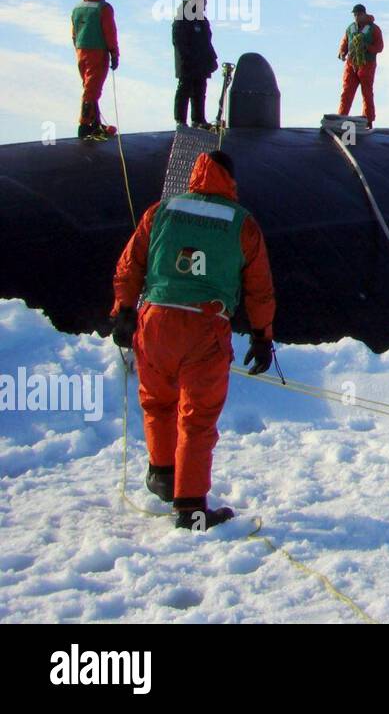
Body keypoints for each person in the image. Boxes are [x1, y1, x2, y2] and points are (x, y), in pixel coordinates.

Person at [109, 150, 276, 530]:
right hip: (204, 327)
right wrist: (262, 336)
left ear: (196, 175)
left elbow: (130, 264)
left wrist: (122, 311)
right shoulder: (241, 223)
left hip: (155, 321)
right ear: (229, 180)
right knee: (197, 418)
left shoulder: (161, 211)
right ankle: (191, 509)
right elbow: (259, 289)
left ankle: (163, 474)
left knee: (157, 403)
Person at [70, 0, 119, 140]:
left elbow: (73, 33)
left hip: (80, 51)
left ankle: (95, 122)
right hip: (97, 52)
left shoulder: (77, 8)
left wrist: (78, 48)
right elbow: (110, 33)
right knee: (92, 90)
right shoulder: (104, 8)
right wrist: (114, 54)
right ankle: (84, 125)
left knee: (89, 86)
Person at [173, 0, 219, 130]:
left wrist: (212, 59)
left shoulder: (202, 20)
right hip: (187, 63)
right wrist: (186, 60)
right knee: (184, 90)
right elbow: (178, 42)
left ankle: (198, 119)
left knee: (200, 91)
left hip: (201, 64)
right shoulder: (182, 19)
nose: (205, 4)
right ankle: (180, 120)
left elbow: (207, 42)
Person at [337, 4, 384, 125]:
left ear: (364, 14)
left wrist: (367, 47)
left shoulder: (374, 29)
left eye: (358, 14)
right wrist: (342, 52)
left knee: (367, 92)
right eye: (355, 15)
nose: (356, 17)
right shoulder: (351, 28)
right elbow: (345, 41)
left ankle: (368, 119)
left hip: (366, 64)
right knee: (346, 92)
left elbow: (379, 47)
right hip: (351, 64)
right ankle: (341, 117)